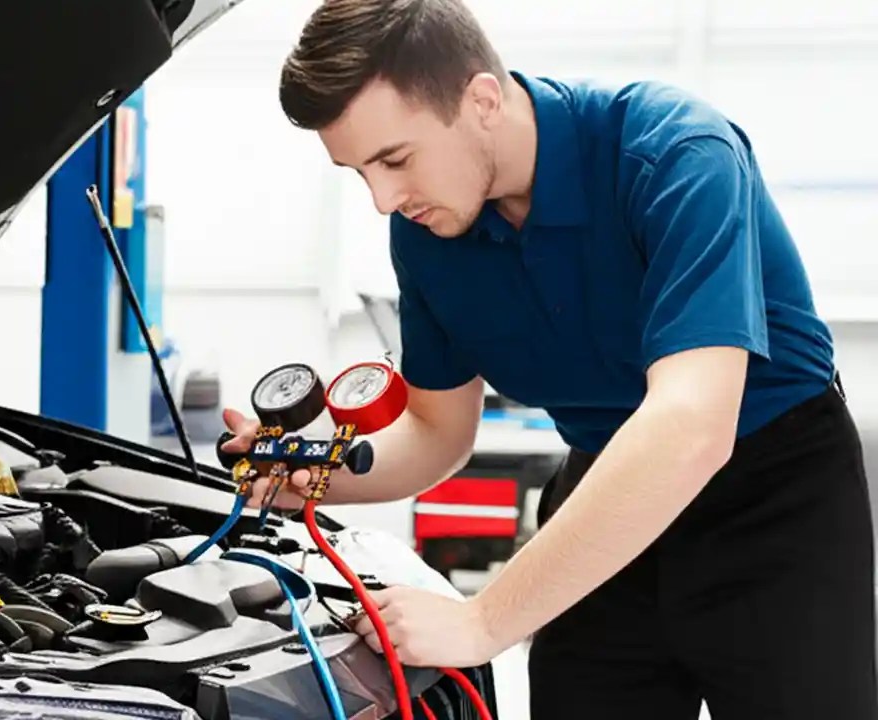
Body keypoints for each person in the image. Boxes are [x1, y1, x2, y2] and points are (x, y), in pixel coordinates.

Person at [218, 0, 878, 717]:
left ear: (482, 101)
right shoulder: (427, 230)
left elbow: (691, 428)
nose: (382, 200)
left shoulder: (677, 155)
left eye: (395, 159)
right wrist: (310, 478)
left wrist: (483, 620)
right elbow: (439, 432)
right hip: (603, 493)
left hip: (772, 500)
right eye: (358, 173)